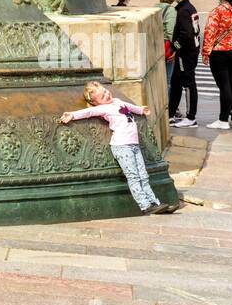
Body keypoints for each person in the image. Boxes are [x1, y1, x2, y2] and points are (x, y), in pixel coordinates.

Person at [61, 82, 171, 214]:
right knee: (134, 177)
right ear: (97, 103)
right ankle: (145, 206)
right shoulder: (103, 109)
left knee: (143, 175)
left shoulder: (117, 101)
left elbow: (130, 107)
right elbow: (89, 112)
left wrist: (141, 110)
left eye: (106, 91)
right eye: (102, 96)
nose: (107, 95)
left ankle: (155, 203)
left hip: (134, 145)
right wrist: (72, 115)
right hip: (122, 146)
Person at [203, 0, 232, 130]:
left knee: (224, 85)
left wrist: (205, 52)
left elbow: (209, 32)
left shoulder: (217, 11)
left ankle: (222, 119)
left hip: (220, 52)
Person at [169, 0, 200, 128]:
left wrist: (174, 47)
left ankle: (191, 117)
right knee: (176, 82)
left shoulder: (182, 11)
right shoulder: (189, 7)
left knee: (188, 83)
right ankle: (171, 113)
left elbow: (186, 34)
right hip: (192, 50)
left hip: (185, 53)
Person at [159, 0, 177, 91]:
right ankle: (168, 106)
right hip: (166, 47)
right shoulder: (170, 10)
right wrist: (174, 49)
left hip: (154, 46)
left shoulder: (154, 7)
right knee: (168, 80)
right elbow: (170, 33)